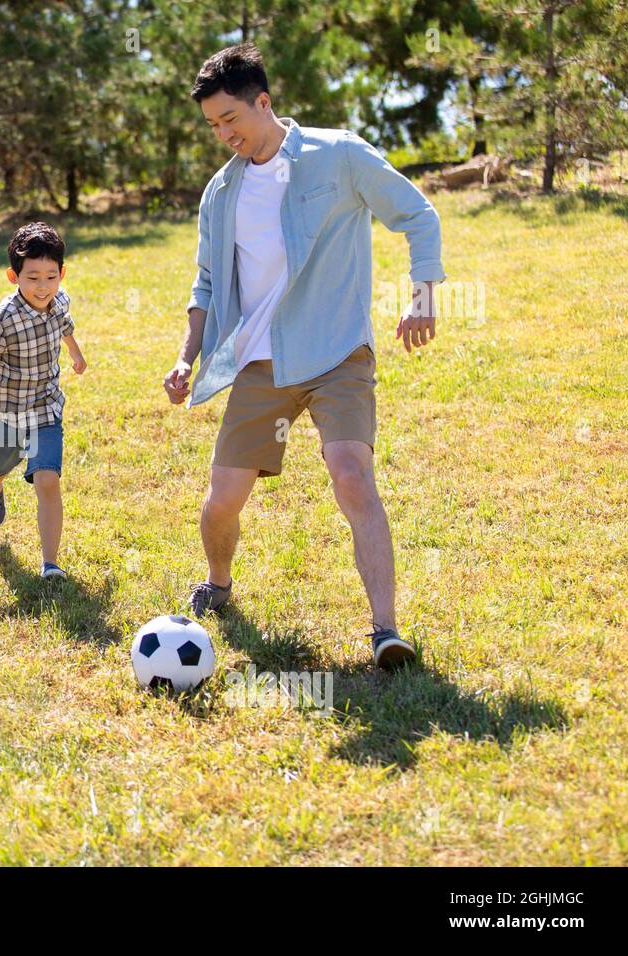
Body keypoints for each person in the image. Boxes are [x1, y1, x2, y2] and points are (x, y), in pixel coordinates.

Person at [162, 44, 444, 670]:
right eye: (212, 125)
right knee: (221, 501)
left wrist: (422, 295)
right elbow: (206, 283)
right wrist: (188, 358)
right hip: (260, 364)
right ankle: (219, 583)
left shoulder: (337, 155)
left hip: (337, 350)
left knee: (352, 475)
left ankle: (385, 632)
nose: (223, 134)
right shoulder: (221, 194)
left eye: (231, 118)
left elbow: (418, 215)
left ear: (264, 102)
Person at [0, 222, 87, 580]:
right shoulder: (2, 319)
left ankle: (50, 564)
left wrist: (76, 355)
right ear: (13, 276)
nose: (43, 286)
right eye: (33, 277)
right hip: (7, 413)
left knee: (47, 479)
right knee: (1, 464)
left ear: (62, 274)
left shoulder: (59, 299)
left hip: (47, 408)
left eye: (51, 276)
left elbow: (65, 325)